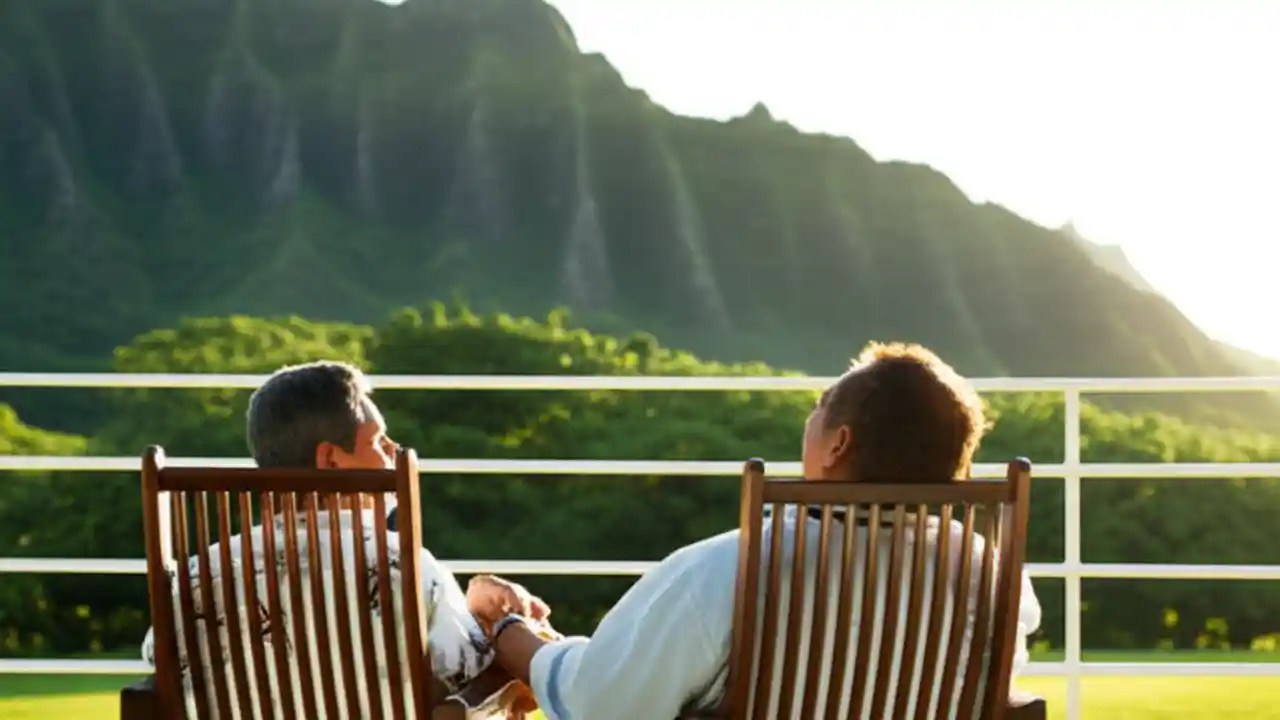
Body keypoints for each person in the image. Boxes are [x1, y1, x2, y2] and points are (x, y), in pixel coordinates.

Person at [483, 342, 1042, 719]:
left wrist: (512, 635)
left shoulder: (734, 570)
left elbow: (603, 701)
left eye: (818, 409)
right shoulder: (990, 577)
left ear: (837, 445)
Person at [139, 361, 548, 718]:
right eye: (377, 441)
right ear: (331, 460)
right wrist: (499, 622)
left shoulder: (197, 575)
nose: (394, 449)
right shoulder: (404, 567)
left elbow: (158, 660)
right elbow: (471, 672)